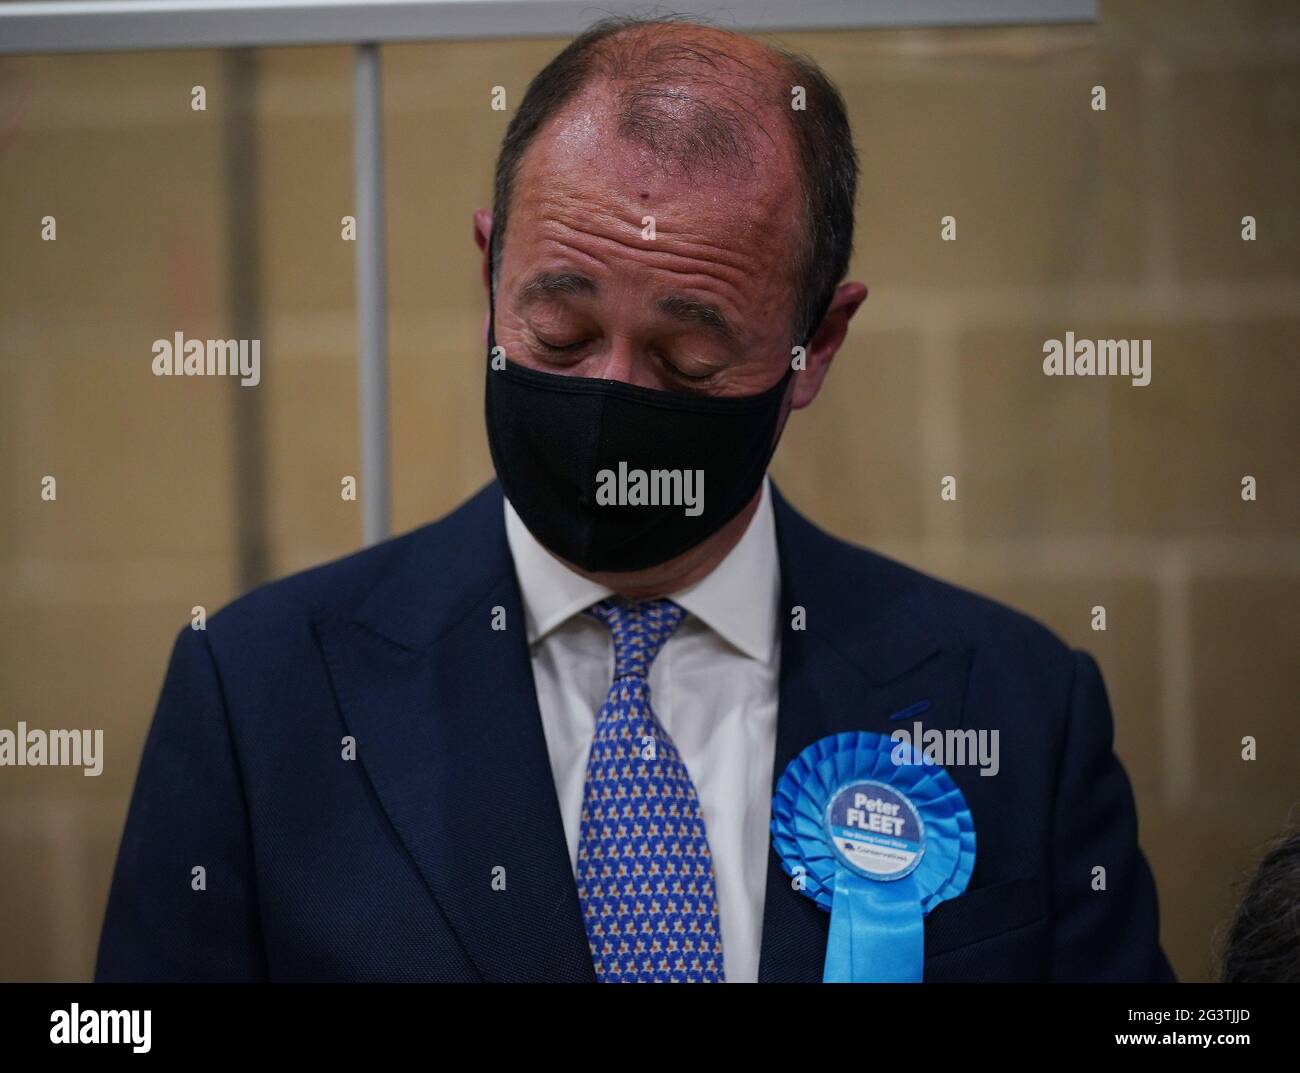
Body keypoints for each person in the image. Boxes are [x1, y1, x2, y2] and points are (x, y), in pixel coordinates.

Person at [96, 15, 1174, 983]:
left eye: (689, 357)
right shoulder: (259, 695)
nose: (610, 399)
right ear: (489, 277)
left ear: (817, 345)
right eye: (559, 333)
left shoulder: (1013, 704)